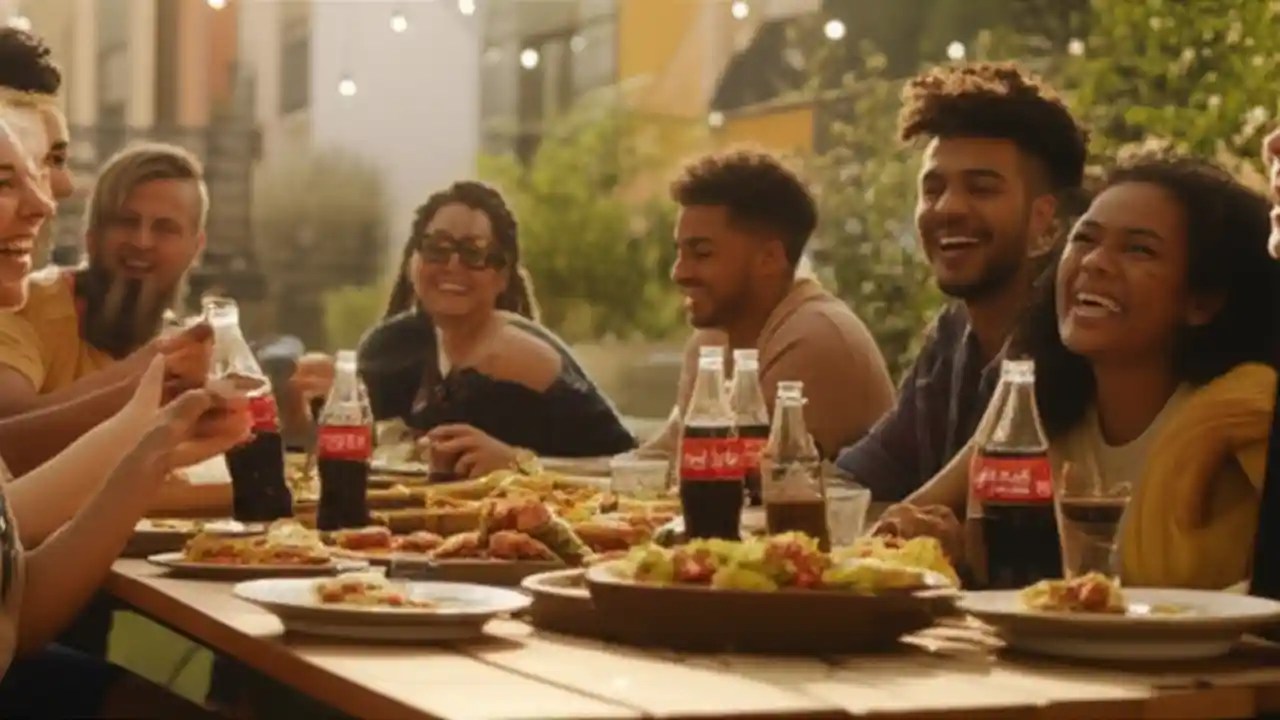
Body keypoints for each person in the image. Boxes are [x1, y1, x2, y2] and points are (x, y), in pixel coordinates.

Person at [888, 153, 1277, 590]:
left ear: (1202, 301)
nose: (1095, 263)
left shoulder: (1245, 409)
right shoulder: (1033, 406)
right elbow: (898, 530)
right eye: (1085, 239)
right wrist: (940, 546)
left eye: (1138, 249)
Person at [0, 106, 246, 720]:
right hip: (67, 633)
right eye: (10, 181)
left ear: (196, 246)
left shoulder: (178, 342)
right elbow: (11, 439)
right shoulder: (30, 307)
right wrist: (145, 389)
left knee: (229, 685)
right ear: (92, 234)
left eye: (164, 227)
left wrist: (151, 440)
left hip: (54, 617)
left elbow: (15, 617)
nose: (45, 200)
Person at [835, 62, 1089, 501]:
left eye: (982, 188)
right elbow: (860, 476)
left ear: (1046, 223)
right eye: (933, 189)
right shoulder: (952, 338)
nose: (948, 209)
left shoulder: (1073, 343)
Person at [293, 180, 635, 477]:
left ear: (501, 275)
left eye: (473, 253)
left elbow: (629, 465)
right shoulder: (391, 347)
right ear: (413, 260)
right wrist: (323, 404)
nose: (452, 266)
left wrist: (519, 463)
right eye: (437, 249)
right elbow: (361, 453)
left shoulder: (525, 358)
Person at [643, 148, 895, 459]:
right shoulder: (713, 340)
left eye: (702, 253)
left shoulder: (814, 337)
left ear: (770, 258)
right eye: (680, 252)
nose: (679, 272)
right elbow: (658, 463)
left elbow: (751, 483)